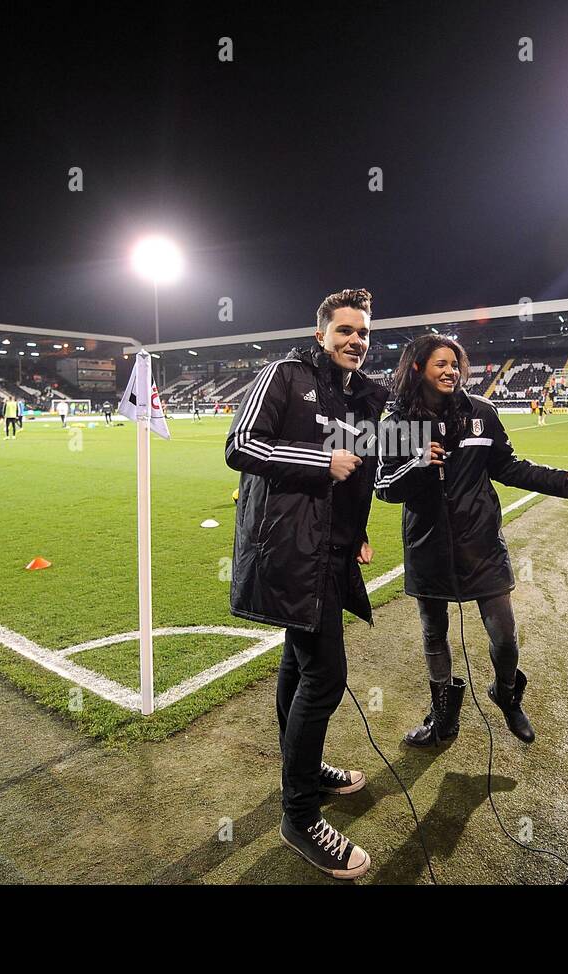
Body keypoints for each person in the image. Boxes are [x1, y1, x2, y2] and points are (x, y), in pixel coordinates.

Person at [224, 287, 388, 880]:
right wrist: (319, 461)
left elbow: (364, 470)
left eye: (364, 333)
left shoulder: (361, 398)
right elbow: (239, 447)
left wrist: (360, 528)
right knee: (326, 673)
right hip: (291, 550)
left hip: (333, 548)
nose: (356, 340)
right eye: (345, 329)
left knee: (299, 661)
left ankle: (307, 771)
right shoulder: (284, 375)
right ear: (321, 332)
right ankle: (298, 814)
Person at [376, 335, 568, 747]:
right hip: (428, 547)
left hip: (481, 546)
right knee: (433, 633)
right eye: (440, 363)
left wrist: (563, 484)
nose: (450, 371)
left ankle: (506, 693)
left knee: (504, 635)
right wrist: (418, 463)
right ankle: (443, 719)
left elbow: (509, 467)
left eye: (455, 363)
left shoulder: (482, 411)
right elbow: (384, 487)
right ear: (417, 368)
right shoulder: (395, 424)